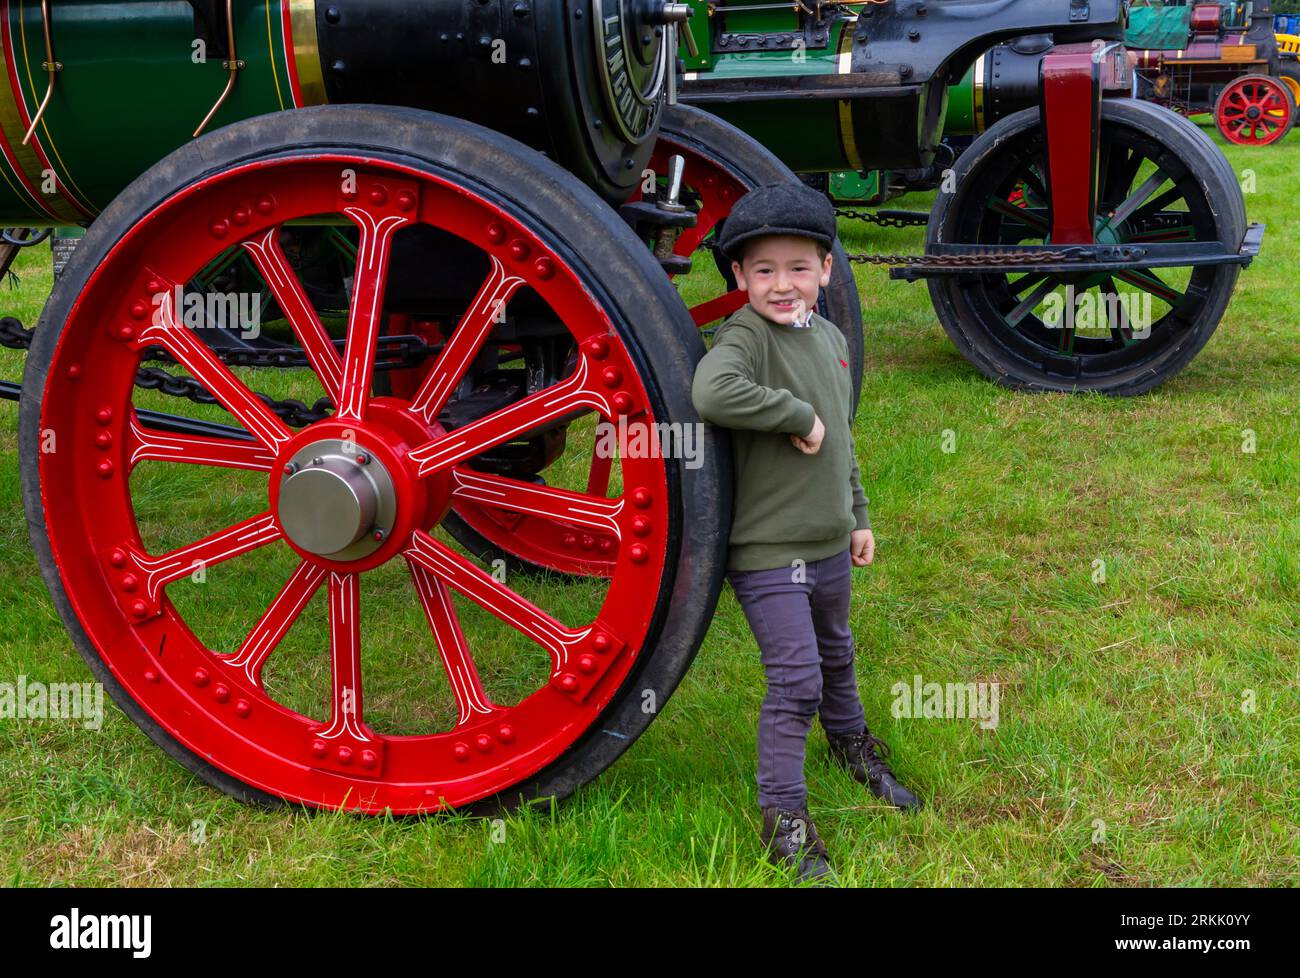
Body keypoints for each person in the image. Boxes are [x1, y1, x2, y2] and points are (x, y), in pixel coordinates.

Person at [690, 181, 922, 886]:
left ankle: (853, 746)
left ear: (826, 269)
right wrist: (793, 414)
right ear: (738, 278)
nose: (782, 285)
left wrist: (858, 516)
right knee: (795, 682)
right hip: (768, 555)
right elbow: (711, 392)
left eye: (798, 268)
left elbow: (842, 437)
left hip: (828, 545)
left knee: (837, 655)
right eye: (763, 271)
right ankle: (785, 818)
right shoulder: (746, 338)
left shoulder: (829, 338)